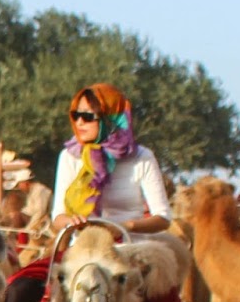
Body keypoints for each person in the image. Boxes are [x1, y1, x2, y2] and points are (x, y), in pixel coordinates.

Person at [50, 85, 170, 235]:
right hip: (85, 245)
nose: (79, 122)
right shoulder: (70, 156)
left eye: (87, 116)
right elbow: (58, 217)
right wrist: (70, 222)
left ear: (109, 118)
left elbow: (163, 218)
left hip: (132, 245)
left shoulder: (141, 157)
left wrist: (126, 226)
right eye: (75, 115)